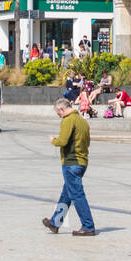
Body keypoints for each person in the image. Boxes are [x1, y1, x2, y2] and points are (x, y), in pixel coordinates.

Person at [42, 98, 95, 236]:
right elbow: (87, 142)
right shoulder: (83, 121)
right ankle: (55, 223)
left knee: (77, 195)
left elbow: (63, 141)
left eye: (58, 113)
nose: (58, 116)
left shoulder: (68, 120)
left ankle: (88, 226)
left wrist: (53, 140)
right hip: (82, 162)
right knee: (66, 194)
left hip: (71, 162)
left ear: (62, 109)